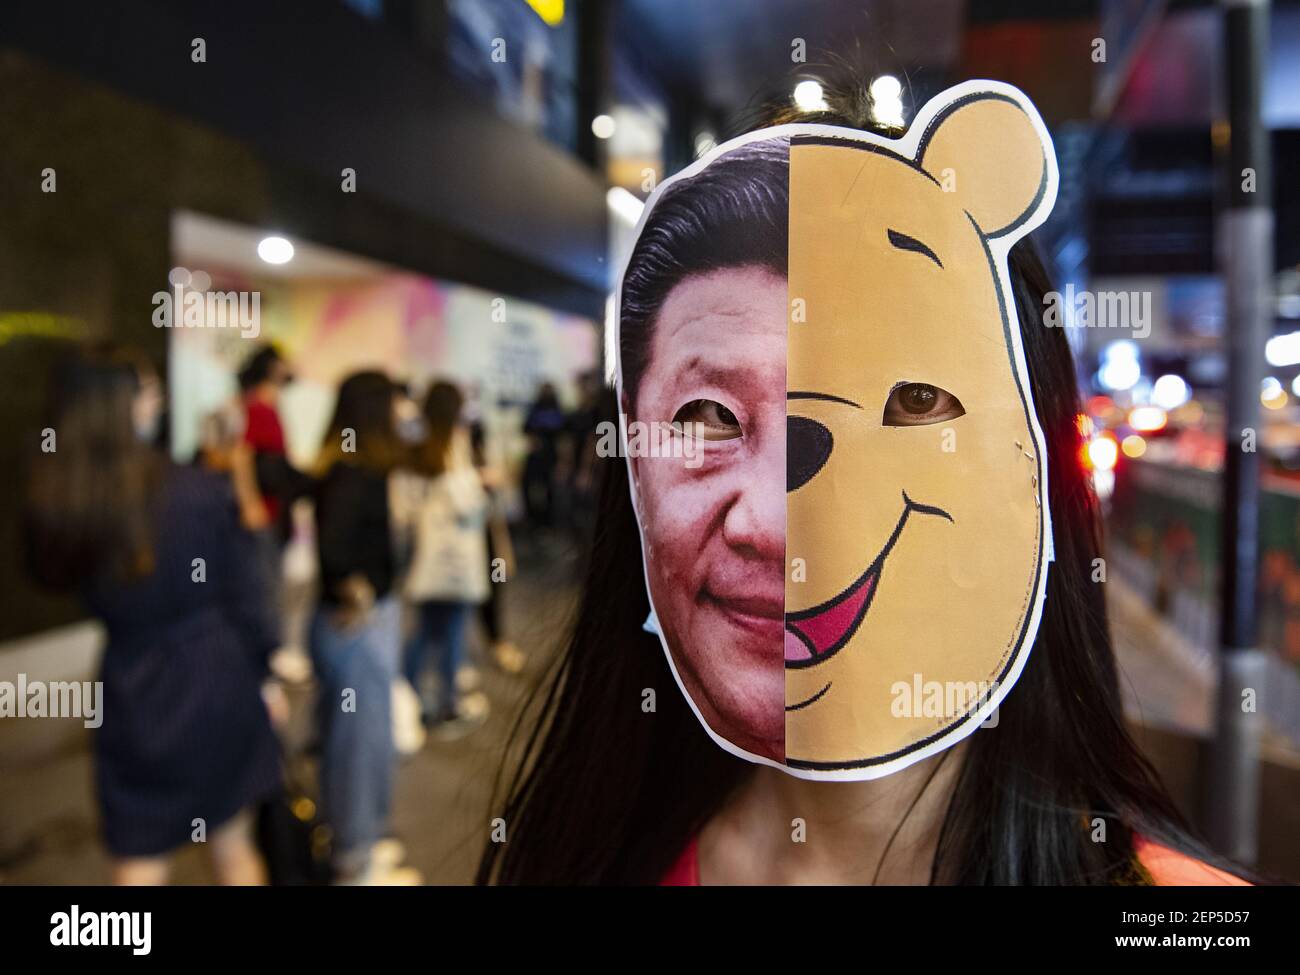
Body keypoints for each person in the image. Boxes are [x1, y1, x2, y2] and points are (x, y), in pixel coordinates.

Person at [477, 80, 1258, 886]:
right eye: (709, 414)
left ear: (1039, 471)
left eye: (915, 401)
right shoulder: (585, 854)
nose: (780, 529)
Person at [24, 345, 281, 885]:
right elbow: (248, 599)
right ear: (123, 404)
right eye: (146, 389)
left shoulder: (59, 498)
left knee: (138, 857)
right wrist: (266, 673)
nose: (158, 399)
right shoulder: (197, 491)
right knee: (233, 849)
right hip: (216, 676)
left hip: (130, 683)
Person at [308, 370, 418, 884]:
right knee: (360, 744)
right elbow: (333, 551)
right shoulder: (355, 471)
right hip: (358, 629)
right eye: (396, 398)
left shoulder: (351, 465)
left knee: (353, 739)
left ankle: (353, 840)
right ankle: (355, 858)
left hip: (358, 625)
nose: (404, 408)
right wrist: (358, 595)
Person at [399, 380, 492, 726]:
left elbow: (406, 505)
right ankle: (448, 705)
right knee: (453, 631)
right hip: (456, 559)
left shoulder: (415, 446)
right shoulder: (453, 445)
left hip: (426, 558)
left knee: (424, 631)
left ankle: (408, 700)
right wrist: (482, 485)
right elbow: (465, 502)